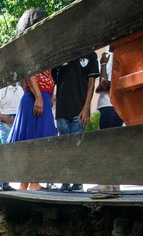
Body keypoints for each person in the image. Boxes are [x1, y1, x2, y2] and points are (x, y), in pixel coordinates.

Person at [6, 8, 57, 191]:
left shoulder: (37, 46)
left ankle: (25, 184)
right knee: (38, 140)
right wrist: (39, 97)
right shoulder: (30, 46)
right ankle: (33, 184)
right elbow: (30, 73)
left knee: (33, 139)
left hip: (40, 95)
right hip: (36, 96)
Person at [51, 50, 100, 192]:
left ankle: (78, 182)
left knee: (77, 147)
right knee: (65, 148)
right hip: (62, 111)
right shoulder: (59, 59)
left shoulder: (90, 55)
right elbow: (57, 84)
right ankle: (65, 182)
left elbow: (91, 84)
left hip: (79, 110)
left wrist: (86, 108)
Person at [87, 50, 124, 193]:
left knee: (106, 145)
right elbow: (101, 86)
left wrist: (102, 64)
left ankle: (106, 183)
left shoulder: (110, 58)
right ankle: (114, 183)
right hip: (111, 105)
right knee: (113, 145)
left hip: (110, 104)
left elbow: (103, 83)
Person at [0, 82, 22, 191]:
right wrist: (5, 119)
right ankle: (0, 183)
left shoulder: (20, 89)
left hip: (18, 119)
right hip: (6, 120)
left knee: (14, 153)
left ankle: (6, 184)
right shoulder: (2, 89)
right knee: (5, 152)